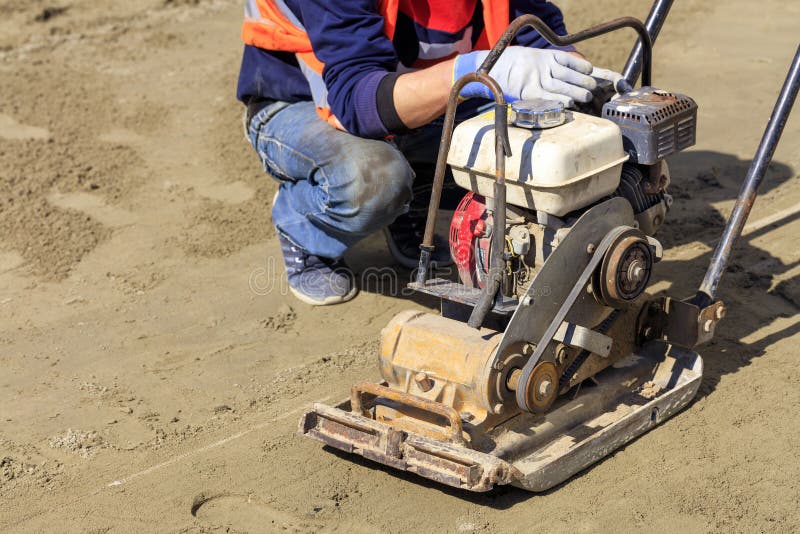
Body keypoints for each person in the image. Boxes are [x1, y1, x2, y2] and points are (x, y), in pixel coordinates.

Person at [237, 0, 620, 305]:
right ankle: (303, 223)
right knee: (374, 180)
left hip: (417, 97)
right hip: (301, 102)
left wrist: (584, 82)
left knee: (526, 148)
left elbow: (532, 27)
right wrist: (471, 70)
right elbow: (357, 102)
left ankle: (414, 201)